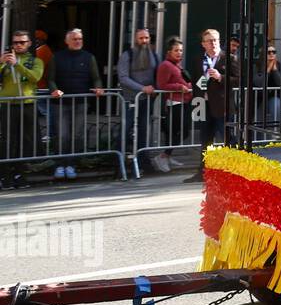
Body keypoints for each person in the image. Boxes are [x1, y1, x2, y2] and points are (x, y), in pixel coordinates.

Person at [47, 28, 106, 180]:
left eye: (80, 38)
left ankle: (72, 164)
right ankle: (59, 165)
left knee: (77, 135)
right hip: (60, 103)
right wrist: (54, 90)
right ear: (67, 41)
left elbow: (96, 77)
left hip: (80, 102)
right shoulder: (57, 57)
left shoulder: (89, 57)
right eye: (74, 39)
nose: (78, 41)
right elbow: (51, 78)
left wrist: (99, 87)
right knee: (62, 135)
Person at [188, 28, 238, 181]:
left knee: (226, 138)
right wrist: (198, 93)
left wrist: (220, 77)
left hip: (222, 105)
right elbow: (196, 81)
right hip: (203, 104)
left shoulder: (229, 58)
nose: (214, 43)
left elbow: (239, 79)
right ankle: (203, 172)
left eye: (216, 40)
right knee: (205, 139)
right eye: (210, 40)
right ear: (203, 44)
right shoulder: (198, 59)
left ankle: (233, 171)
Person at [1, 30, 45, 189]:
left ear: (29, 43)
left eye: (22, 42)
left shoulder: (35, 61)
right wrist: (1, 63)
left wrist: (17, 65)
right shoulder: (4, 60)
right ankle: (5, 175)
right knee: (7, 141)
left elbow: (35, 78)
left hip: (27, 104)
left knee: (24, 141)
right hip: (8, 104)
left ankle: (20, 173)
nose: (18, 45)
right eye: (15, 43)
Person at [117, 27, 161, 170]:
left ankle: (143, 162)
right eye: (141, 38)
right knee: (125, 130)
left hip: (146, 100)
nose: (144, 41)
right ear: (135, 39)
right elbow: (123, 78)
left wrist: (155, 88)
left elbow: (158, 75)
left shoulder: (154, 55)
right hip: (130, 100)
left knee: (144, 130)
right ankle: (119, 162)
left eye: (146, 38)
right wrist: (142, 88)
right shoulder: (127, 55)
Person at [155, 37, 193, 170]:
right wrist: (179, 87)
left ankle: (167, 156)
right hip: (174, 103)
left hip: (184, 101)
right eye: (176, 50)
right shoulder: (165, 65)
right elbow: (162, 84)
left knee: (180, 132)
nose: (179, 53)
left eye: (181, 50)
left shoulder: (177, 65)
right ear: (169, 52)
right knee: (182, 131)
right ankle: (163, 156)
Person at [253, 47, 281, 125]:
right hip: (258, 98)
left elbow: (280, 83)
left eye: (273, 52)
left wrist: (275, 70)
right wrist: (268, 70)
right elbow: (259, 83)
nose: (271, 54)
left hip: (273, 96)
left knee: (276, 105)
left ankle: (277, 133)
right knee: (257, 120)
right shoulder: (257, 66)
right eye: (268, 52)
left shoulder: (280, 65)